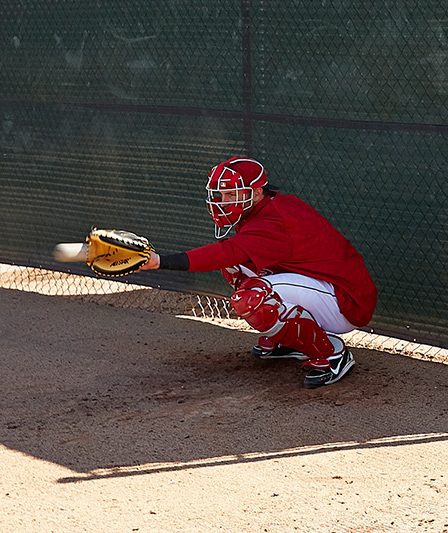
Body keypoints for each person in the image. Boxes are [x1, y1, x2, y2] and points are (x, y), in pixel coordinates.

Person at [139, 156, 376, 388]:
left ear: (256, 192)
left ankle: (332, 354)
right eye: (221, 194)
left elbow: (225, 252)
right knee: (234, 268)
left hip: (346, 302)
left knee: (252, 297)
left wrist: (160, 261)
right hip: (322, 286)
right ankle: (295, 340)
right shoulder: (264, 208)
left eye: (232, 194)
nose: (223, 200)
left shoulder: (273, 218)